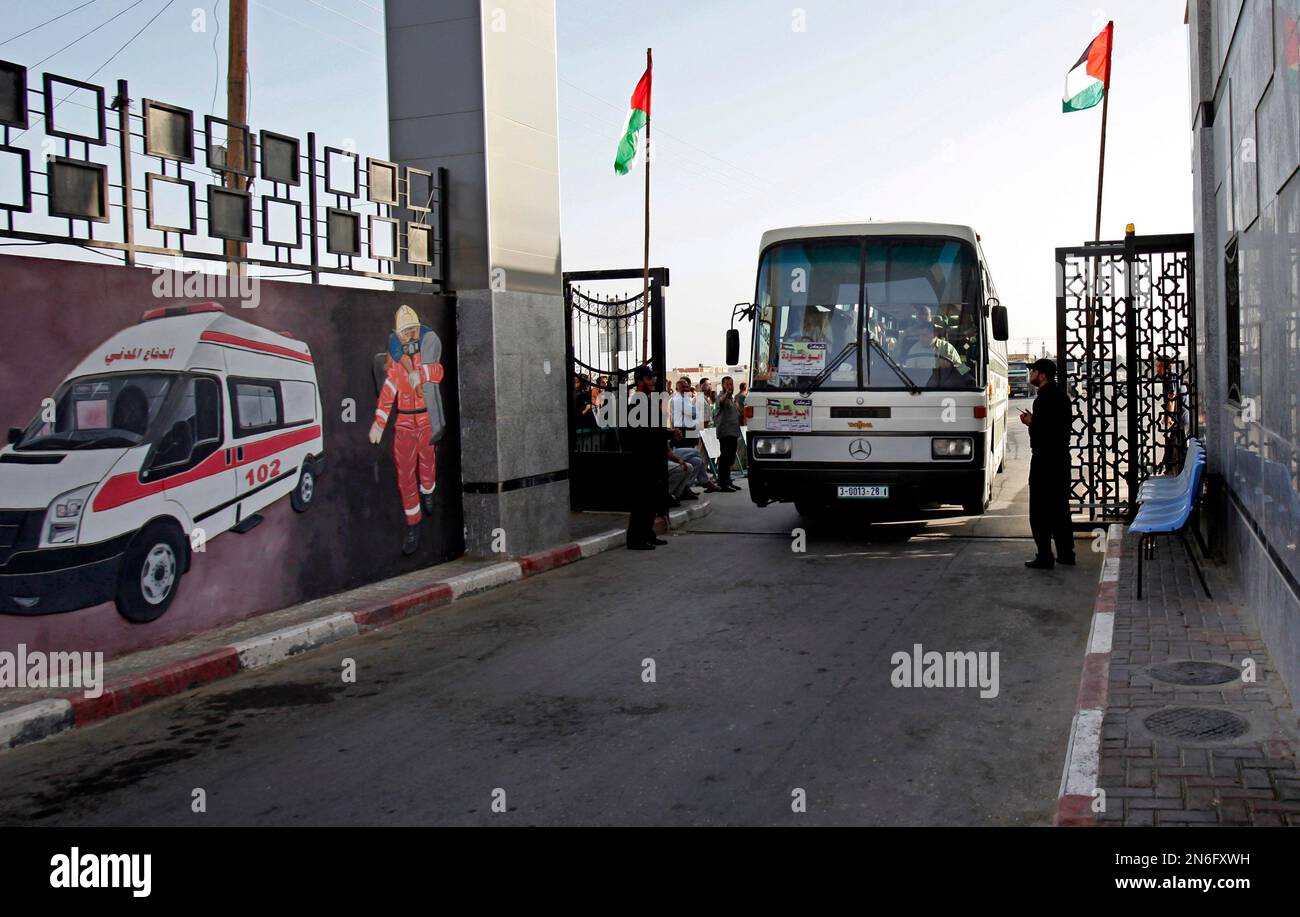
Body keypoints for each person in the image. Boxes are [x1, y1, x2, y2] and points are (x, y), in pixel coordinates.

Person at [370, 305, 445, 556]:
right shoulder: (395, 366)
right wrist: (379, 424)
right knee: (405, 477)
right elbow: (387, 396)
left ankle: (429, 492)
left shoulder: (427, 353)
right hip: (404, 424)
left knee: (427, 465)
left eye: (413, 331)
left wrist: (421, 373)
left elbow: (438, 372)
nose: (410, 336)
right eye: (405, 333)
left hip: (425, 420)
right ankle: (414, 525)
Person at [1019, 358, 1075, 569]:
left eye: (1033, 371)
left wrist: (1031, 422)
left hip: (1044, 460)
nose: (1030, 374)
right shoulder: (1062, 396)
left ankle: (1045, 555)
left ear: (1042, 375)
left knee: (1040, 511)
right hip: (1061, 459)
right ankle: (1066, 553)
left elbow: (1045, 432)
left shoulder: (1043, 399)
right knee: (1060, 508)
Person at [624, 365, 672, 551]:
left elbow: (656, 429)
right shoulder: (635, 405)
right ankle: (635, 538)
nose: (653, 381)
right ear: (639, 381)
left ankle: (647, 534)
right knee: (641, 501)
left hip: (653, 459)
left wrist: (668, 433)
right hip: (642, 460)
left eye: (653, 378)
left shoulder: (650, 402)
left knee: (651, 499)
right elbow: (636, 435)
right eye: (649, 378)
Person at [713, 376, 742, 492]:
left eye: (731, 384)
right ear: (723, 385)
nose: (730, 387)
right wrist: (727, 394)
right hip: (725, 432)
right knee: (725, 457)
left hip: (733, 432)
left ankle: (728, 480)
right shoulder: (720, 396)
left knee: (730, 457)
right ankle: (722, 482)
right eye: (727, 384)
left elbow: (739, 412)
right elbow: (720, 402)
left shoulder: (732, 399)